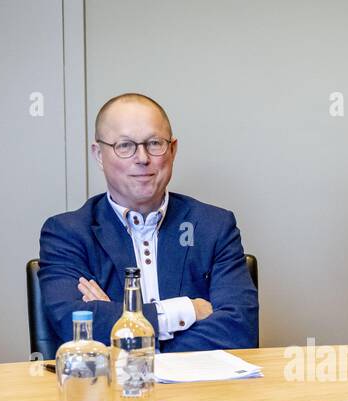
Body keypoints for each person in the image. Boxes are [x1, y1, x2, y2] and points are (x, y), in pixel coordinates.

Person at [37, 93, 258, 352]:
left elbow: (240, 329)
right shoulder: (67, 234)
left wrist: (121, 327)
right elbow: (73, 325)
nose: (142, 158)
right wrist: (187, 309)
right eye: (125, 146)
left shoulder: (214, 227)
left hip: (199, 391)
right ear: (98, 155)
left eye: (154, 143)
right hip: (111, 391)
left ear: (173, 150)